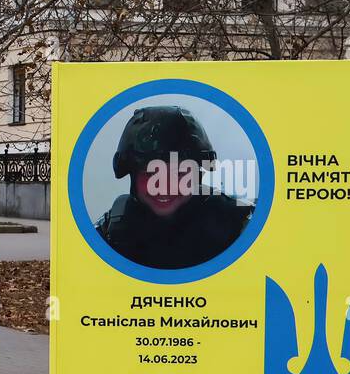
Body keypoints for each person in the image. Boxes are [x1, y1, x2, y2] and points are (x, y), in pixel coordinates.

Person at [95, 105, 253, 269]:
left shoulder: (241, 224)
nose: (164, 185)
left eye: (179, 173)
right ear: (131, 174)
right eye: (152, 173)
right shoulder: (109, 233)